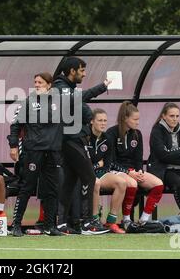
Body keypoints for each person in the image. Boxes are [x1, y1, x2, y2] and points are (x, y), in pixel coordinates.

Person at [55, 56, 111, 234]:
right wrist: (102, 87)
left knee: (70, 182)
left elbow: (83, 108)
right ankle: (88, 222)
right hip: (69, 141)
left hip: (75, 139)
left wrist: (87, 126)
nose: (84, 74)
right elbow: (79, 98)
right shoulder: (59, 87)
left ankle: (63, 223)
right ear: (72, 71)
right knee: (90, 177)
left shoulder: (70, 89)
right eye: (82, 71)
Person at [7, 72, 63, 236]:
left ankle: (50, 226)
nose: (37, 85)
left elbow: (82, 98)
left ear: (49, 85)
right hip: (33, 151)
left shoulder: (60, 103)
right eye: (35, 82)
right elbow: (15, 126)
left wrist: (103, 87)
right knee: (27, 187)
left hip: (52, 152)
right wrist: (13, 146)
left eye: (40, 82)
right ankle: (16, 225)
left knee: (52, 190)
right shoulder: (27, 103)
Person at [106, 101, 164, 228]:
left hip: (132, 171)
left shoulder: (137, 134)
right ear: (125, 118)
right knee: (132, 184)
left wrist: (139, 172)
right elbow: (110, 162)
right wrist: (128, 173)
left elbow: (138, 159)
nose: (138, 122)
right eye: (135, 119)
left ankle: (143, 220)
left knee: (158, 185)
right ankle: (126, 219)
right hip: (115, 171)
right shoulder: (111, 133)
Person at [148, 103, 180, 219]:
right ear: (163, 116)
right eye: (172, 116)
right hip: (163, 169)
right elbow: (162, 156)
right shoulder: (157, 130)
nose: (175, 119)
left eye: (177, 116)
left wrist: (174, 154)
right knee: (179, 183)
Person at [88, 109, 127, 234]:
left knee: (121, 182)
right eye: (100, 120)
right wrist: (96, 164)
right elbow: (84, 161)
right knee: (96, 183)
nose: (103, 123)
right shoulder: (85, 137)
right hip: (85, 173)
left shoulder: (107, 138)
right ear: (92, 121)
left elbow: (107, 163)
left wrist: (99, 165)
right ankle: (94, 220)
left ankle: (111, 221)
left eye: (105, 120)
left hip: (100, 172)